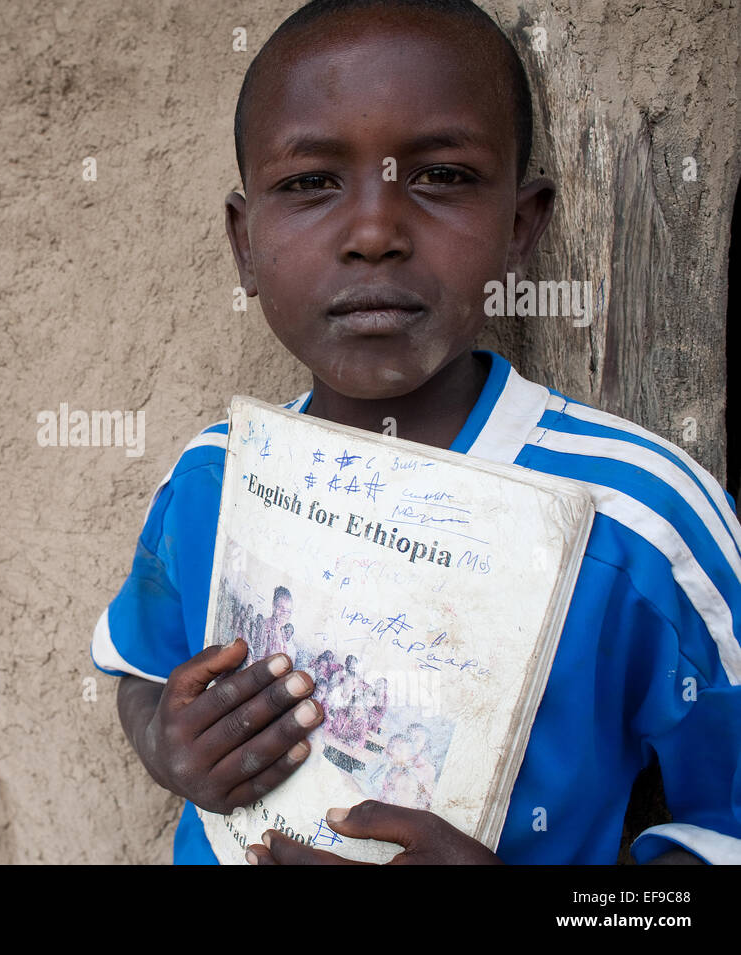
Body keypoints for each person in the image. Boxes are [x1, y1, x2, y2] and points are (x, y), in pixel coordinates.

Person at [91, 0, 741, 864]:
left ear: (521, 225)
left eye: (441, 176)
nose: (374, 233)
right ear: (246, 245)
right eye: (311, 183)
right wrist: (172, 746)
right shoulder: (213, 476)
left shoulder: (640, 518)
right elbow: (140, 672)